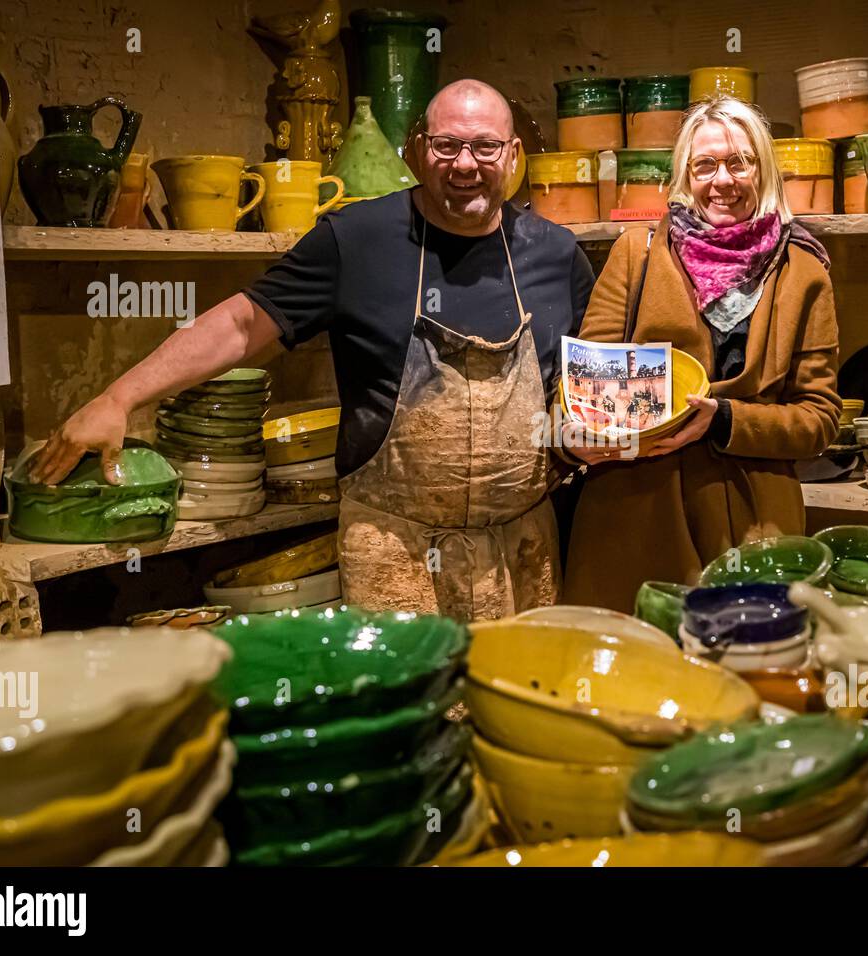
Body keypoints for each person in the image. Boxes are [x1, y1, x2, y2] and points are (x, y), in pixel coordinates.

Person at [31, 79, 595, 622]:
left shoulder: (555, 254)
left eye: (485, 147)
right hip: (393, 554)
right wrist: (119, 397)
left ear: (514, 153)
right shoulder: (356, 240)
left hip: (523, 553)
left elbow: (585, 389)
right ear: (420, 151)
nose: (465, 164)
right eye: (447, 145)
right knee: (400, 716)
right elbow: (239, 324)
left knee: (517, 710)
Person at [561, 95, 841, 611]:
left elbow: (819, 418)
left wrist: (725, 420)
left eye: (739, 162)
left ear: (763, 170)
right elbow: (586, 383)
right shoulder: (637, 252)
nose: (723, 180)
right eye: (705, 164)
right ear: (685, 176)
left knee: (746, 673)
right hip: (637, 511)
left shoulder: (804, 272)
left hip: (755, 521)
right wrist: (581, 436)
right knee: (636, 676)